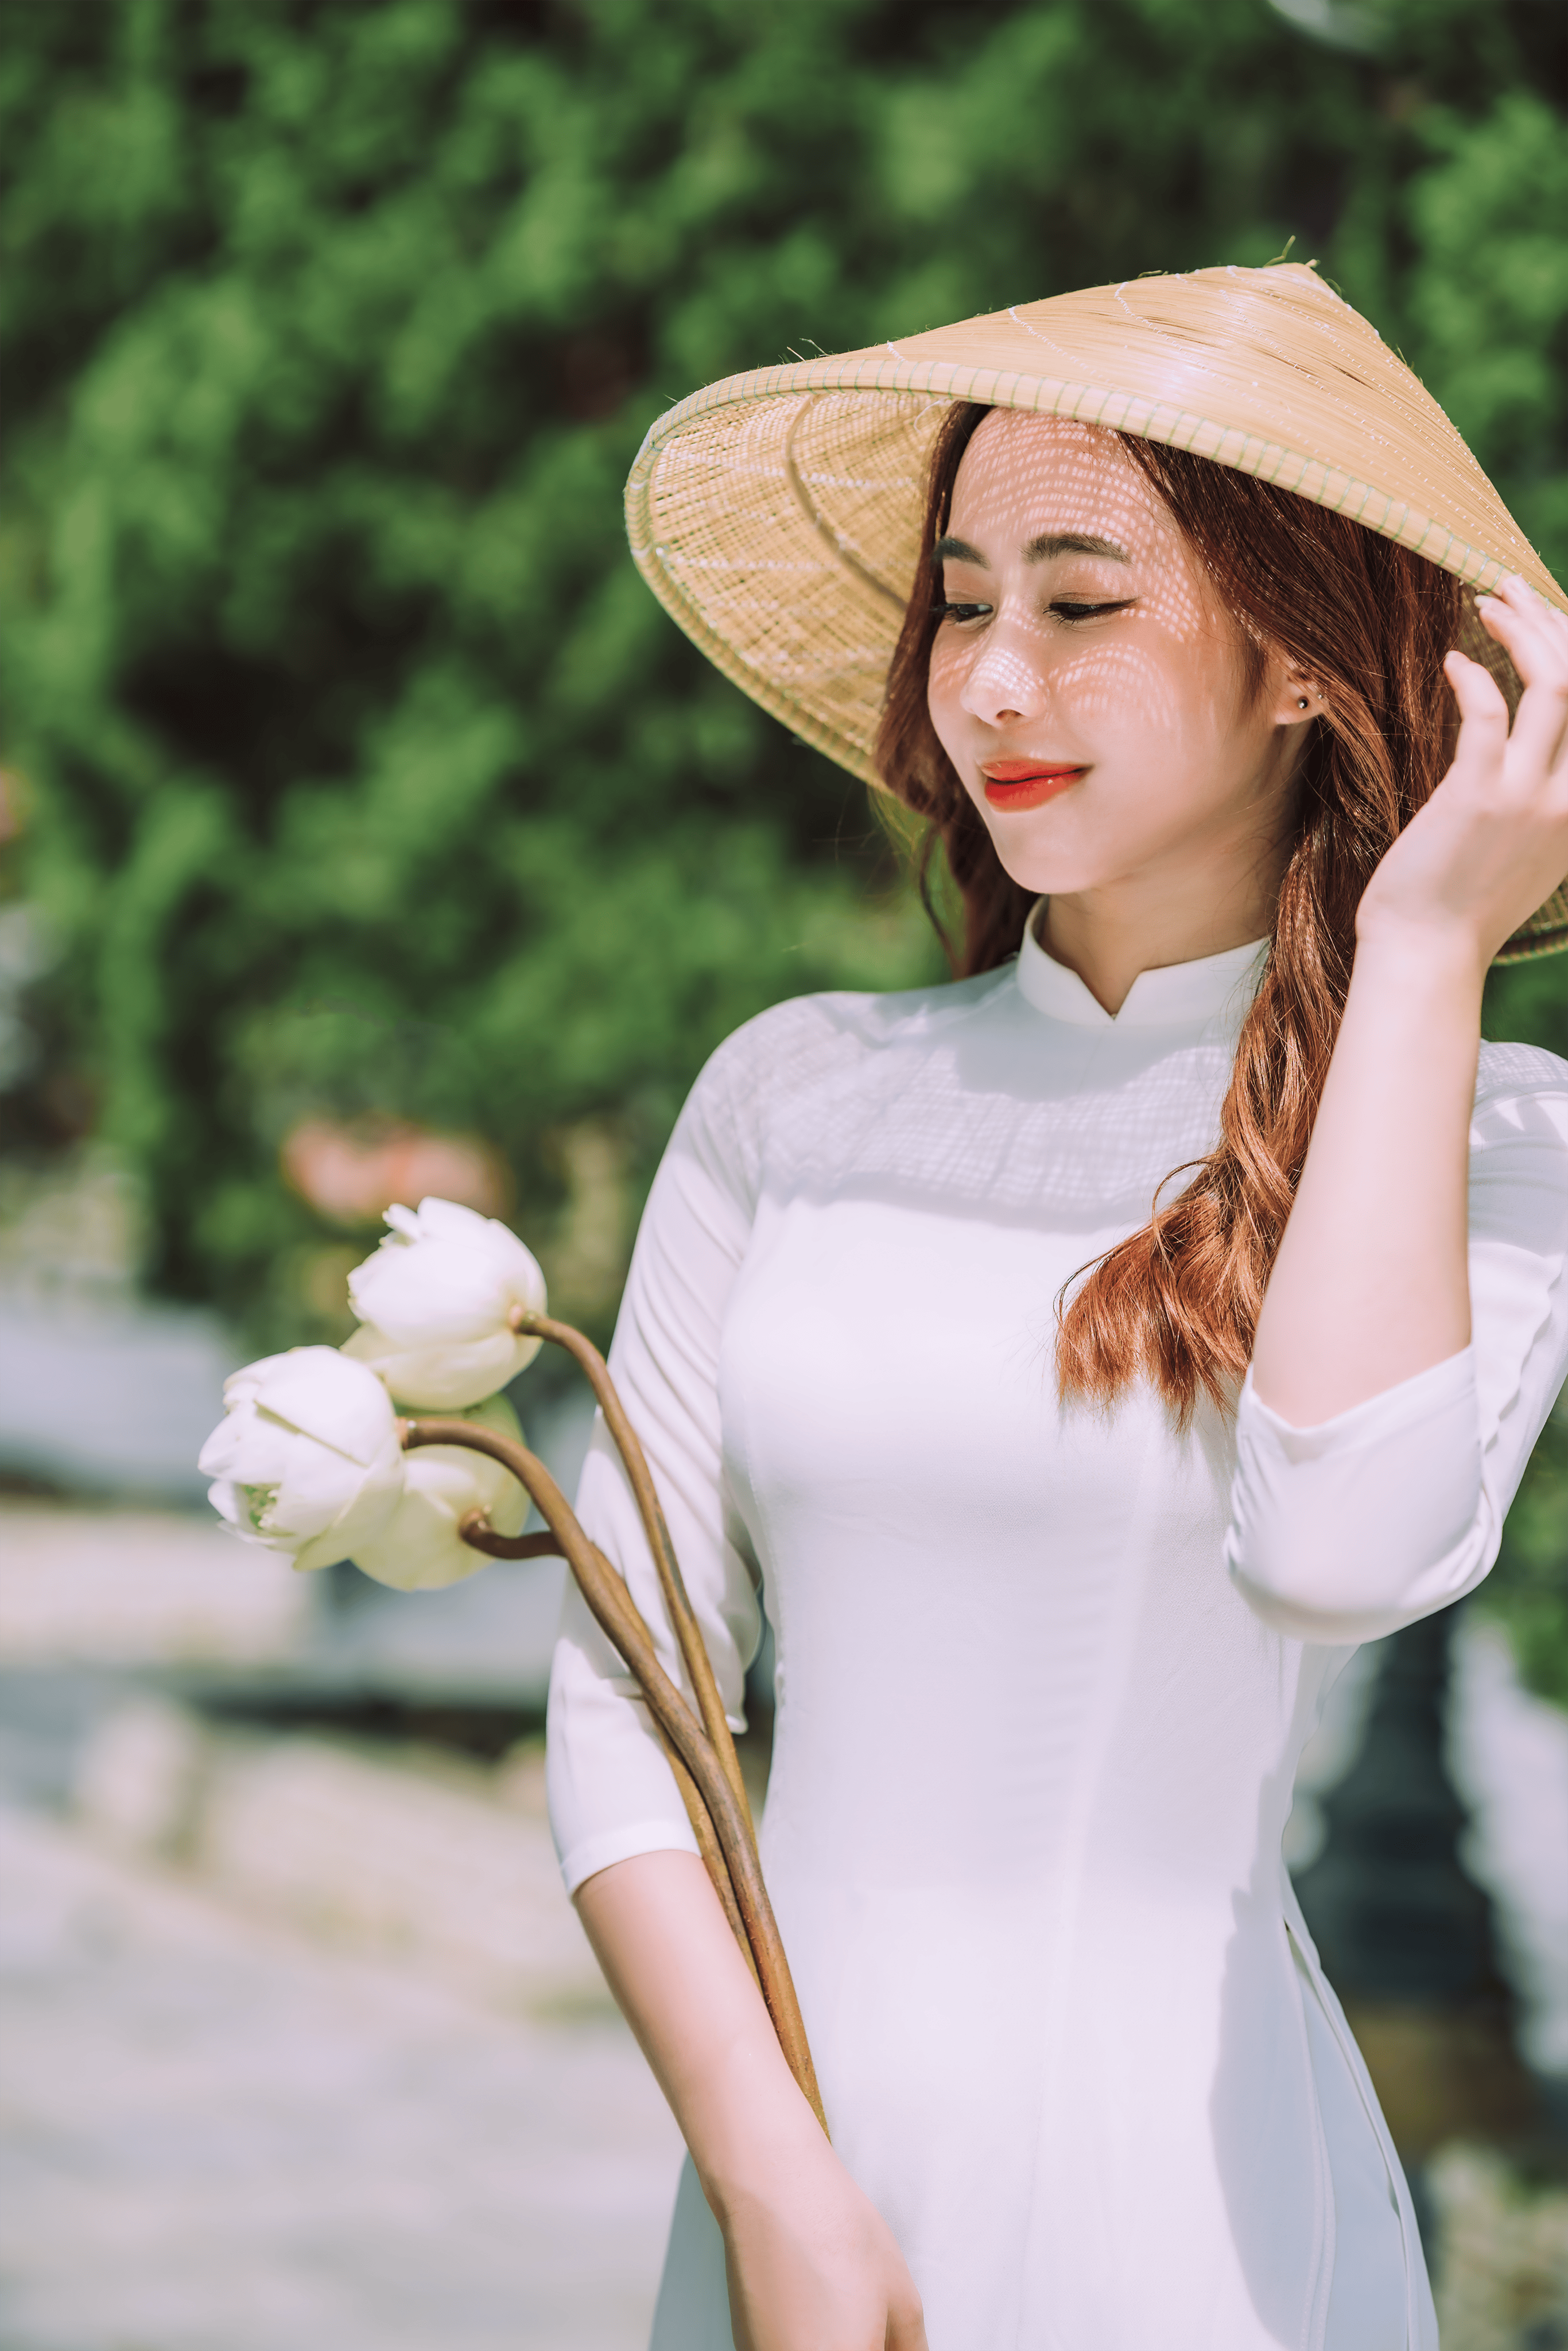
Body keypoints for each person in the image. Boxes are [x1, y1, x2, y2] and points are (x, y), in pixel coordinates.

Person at [545, 263, 1568, 2350]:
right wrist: (770, 2186)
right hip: (791, 2210)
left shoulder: (1487, 1130)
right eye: (959, 602)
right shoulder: (796, 1095)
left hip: (1189, 2226)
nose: (992, 681)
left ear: (1300, 662)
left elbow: (1337, 1551)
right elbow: (627, 1687)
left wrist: (1427, 951)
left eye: (1082, 602)